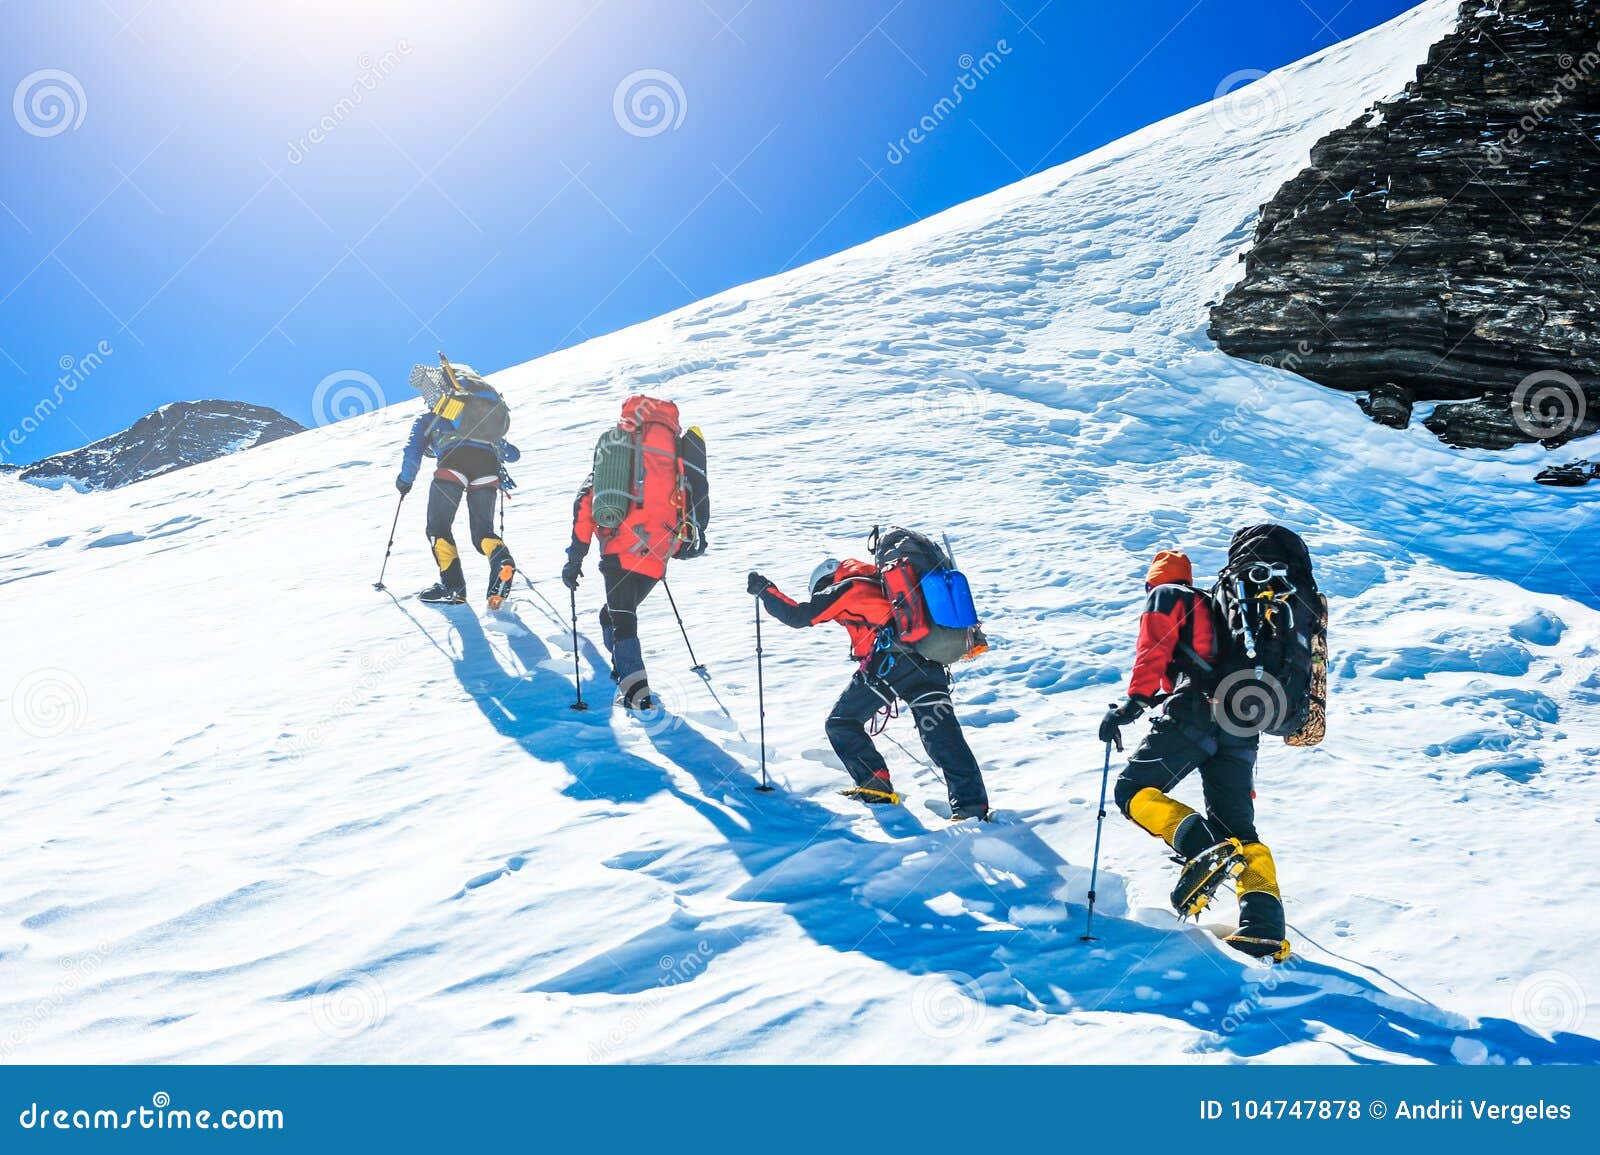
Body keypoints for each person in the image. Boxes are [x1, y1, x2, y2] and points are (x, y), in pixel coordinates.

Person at [1098, 548, 1289, 961]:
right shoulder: (1225, 612)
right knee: (1239, 828)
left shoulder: (1167, 595)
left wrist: (1133, 704)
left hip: (1196, 712)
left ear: (1154, 579)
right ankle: (1264, 927)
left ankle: (1202, 848)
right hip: (1241, 723)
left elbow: (1154, 648)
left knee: (1132, 790)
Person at [747, 559, 991, 820]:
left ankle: (875, 786)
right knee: (943, 736)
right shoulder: (884, 587)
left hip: (891, 665)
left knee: (842, 723)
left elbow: (798, 616)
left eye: (820, 592)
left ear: (826, 582)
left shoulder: (848, 587)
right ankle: (971, 807)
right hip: (930, 662)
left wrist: (765, 590)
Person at [562, 396, 690, 710]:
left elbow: (585, 506)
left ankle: (637, 693)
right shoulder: (672, 450)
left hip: (620, 547)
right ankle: (624, 671)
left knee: (624, 622)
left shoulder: (616, 452)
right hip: (659, 552)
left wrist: (575, 558)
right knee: (614, 615)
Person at [395, 375, 521, 608]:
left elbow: (412, 452)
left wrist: (405, 481)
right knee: (482, 533)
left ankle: (453, 588)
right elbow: (513, 454)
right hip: (488, 468)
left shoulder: (430, 417)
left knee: (438, 527)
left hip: (453, 465)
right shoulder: (481, 422)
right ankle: (502, 561)